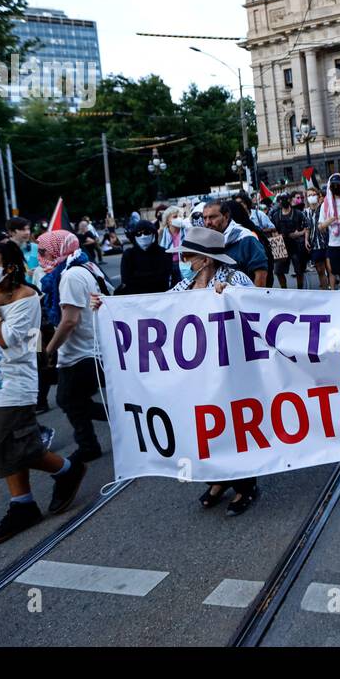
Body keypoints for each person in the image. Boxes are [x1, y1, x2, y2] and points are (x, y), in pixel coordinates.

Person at [0, 241, 86, 547]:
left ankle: (66, 470)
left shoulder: (27, 298)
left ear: (9, 267)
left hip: (13, 385)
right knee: (3, 450)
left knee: (14, 446)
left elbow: (9, 341)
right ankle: (23, 503)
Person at [168, 226, 260, 516]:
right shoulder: (185, 286)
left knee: (232, 428)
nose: (184, 262)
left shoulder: (235, 279)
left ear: (205, 259)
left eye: (188, 256)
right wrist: (109, 305)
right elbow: (155, 308)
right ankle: (218, 479)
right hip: (197, 374)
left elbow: (259, 311)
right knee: (203, 430)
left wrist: (231, 297)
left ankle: (245, 486)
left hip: (230, 371)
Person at [39, 230, 110, 464]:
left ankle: (96, 439)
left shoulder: (70, 277)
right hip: (94, 347)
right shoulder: (86, 266)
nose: (40, 257)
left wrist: (48, 349)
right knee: (73, 400)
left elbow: (69, 320)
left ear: (57, 250)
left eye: (43, 251)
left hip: (81, 352)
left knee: (68, 399)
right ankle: (92, 440)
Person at [202, 199, 269, 288]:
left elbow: (261, 272)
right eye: (205, 218)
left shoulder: (246, 238)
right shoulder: (209, 240)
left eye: (212, 217)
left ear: (226, 216)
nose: (207, 222)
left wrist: (256, 298)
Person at [117, 220, 177, 295]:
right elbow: (126, 280)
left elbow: (164, 279)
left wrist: (138, 278)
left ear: (153, 234)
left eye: (146, 232)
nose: (143, 236)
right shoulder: (129, 254)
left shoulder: (164, 253)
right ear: (134, 236)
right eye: (138, 234)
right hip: (136, 298)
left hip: (160, 297)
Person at [269, 192, 311, 289]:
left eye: (286, 199)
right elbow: (272, 229)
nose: (284, 201)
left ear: (290, 200)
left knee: (299, 270)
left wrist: (300, 235)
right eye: (281, 199)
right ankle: (284, 290)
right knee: (278, 271)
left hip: (296, 245)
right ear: (279, 201)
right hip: (281, 246)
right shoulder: (275, 215)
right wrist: (277, 235)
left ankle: (300, 290)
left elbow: (307, 227)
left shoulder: (298, 214)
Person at [304, 187, 331, 289]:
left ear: (318, 196)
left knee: (330, 268)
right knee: (320, 269)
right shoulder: (306, 212)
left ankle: (332, 288)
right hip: (314, 244)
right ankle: (324, 289)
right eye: (309, 195)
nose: (311, 197)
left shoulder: (324, 208)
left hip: (327, 242)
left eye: (313, 195)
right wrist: (306, 240)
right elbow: (307, 227)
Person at [6, 217, 40, 284]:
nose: (27, 232)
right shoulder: (4, 251)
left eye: (28, 229)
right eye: (22, 229)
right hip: (16, 291)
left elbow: (47, 267)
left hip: (37, 290)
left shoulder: (36, 247)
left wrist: (38, 271)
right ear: (11, 232)